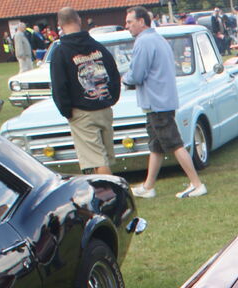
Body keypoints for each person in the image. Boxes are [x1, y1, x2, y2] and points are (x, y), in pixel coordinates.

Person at [123, 6, 207, 198]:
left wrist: (124, 79)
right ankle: (148, 186)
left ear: (142, 22)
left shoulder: (143, 42)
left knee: (174, 143)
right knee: (156, 145)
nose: (127, 26)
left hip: (156, 102)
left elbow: (137, 74)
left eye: (130, 22)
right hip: (162, 100)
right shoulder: (159, 39)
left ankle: (197, 183)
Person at [49, 7, 121, 176]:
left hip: (82, 111)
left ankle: (111, 195)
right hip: (104, 106)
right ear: (79, 20)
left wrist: (66, 110)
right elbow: (114, 74)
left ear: (59, 24)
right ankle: (102, 190)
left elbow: (59, 86)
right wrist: (111, 98)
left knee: (96, 159)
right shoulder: (98, 47)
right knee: (103, 156)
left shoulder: (61, 52)